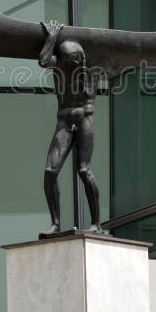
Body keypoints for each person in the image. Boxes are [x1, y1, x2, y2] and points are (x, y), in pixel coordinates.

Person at [38, 21, 102, 238]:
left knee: (84, 170)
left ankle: (96, 223)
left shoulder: (92, 70)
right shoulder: (59, 67)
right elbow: (43, 60)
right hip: (64, 121)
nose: (68, 65)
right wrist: (52, 38)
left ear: (80, 59)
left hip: (84, 121)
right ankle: (55, 224)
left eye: (71, 62)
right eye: (65, 61)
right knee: (50, 172)